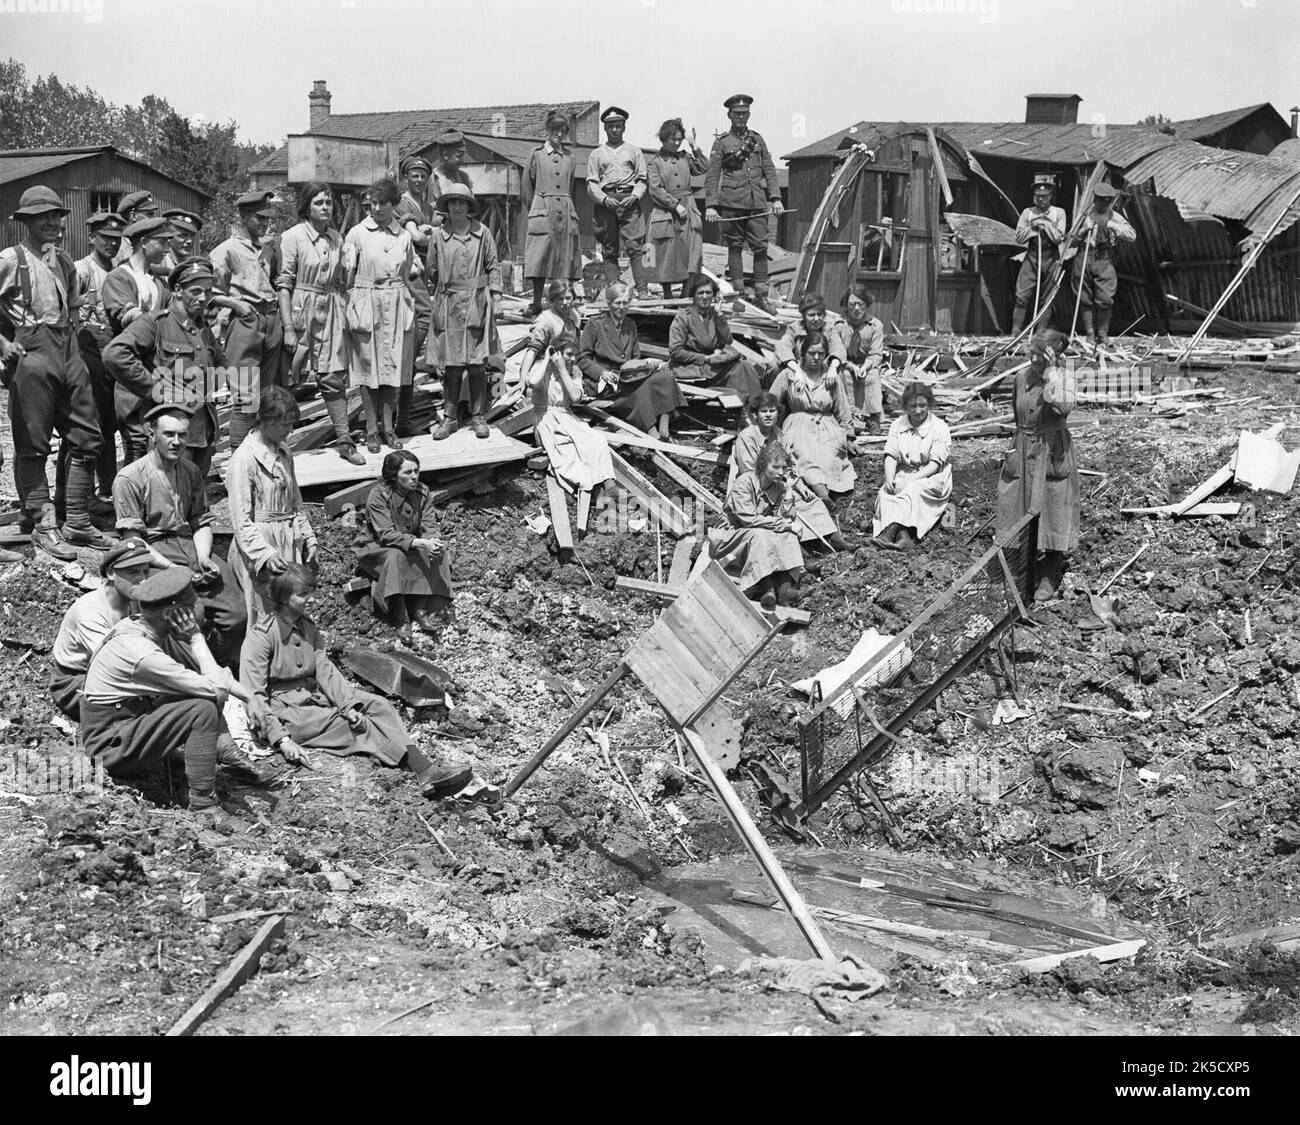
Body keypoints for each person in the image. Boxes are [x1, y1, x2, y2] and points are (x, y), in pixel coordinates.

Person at [241, 564, 472, 798]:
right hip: (286, 712)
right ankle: (422, 772)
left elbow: (325, 672)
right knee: (351, 726)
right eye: (302, 595)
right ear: (282, 598)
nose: (311, 600)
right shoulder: (261, 637)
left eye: (312, 592)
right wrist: (281, 739)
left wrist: (349, 705)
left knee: (378, 705)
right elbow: (254, 695)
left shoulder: (307, 627)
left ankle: (425, 770)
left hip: (312, 695)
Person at [81, 566, 269, 832]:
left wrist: (249, 696)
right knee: (201, 708)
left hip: (129, 724)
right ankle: (204, 807)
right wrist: (195, 637)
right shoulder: (141, 653)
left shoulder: (144, 627)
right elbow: (214, 691)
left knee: (194, 684)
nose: (200, 607)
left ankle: (220, 751)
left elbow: (208, 676)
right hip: (110, 746)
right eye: (193, 603)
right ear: (172, 614)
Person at [0, 185, 112, 558]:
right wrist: (4, 344)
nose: (52, 222)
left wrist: (76, 336)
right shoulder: (12, 259)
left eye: (56, 216)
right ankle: (41, 522)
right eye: (43, 216)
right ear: (26, 222)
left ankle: (77, 519)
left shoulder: (64, 261)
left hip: (68, 349)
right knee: (32, 443)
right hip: (32, 355)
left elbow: (76, 305)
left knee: (86, 433)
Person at [113, 402, 247, 661]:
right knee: (189, 616)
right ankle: (186, 672)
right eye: (169, 434)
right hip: (152, 553)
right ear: (151, 434)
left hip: (189, 546)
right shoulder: (130, 478)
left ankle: (213, 662)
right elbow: (133, 541)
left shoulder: (191, 471)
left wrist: (204, 556)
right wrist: (171, 570)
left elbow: (200, 521)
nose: (176, 442)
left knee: (237, 613)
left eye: (182, 435)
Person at [103, 255, 224, 474]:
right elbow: (114, 354)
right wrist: (155, 389)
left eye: (208, 292)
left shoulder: (204, 330)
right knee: (165, 497)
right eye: (195, 291)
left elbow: (221, 364)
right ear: (178, 290)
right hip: (171, 432)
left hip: (201, 431)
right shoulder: (156, 323)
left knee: (193, 498)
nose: (203, 298)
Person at [277, 182, 361, 464]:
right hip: (301, 308)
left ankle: (345, 440)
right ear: (307, 207)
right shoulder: (293, 237)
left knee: (332, 376)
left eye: (328, 202)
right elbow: (284, 284)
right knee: (291, 376)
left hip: (330, 309)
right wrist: (289, 326)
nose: (325, 207)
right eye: (318, 203)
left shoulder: (338, 239)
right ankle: (277, 443)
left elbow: (343, 280)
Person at [997, 329, 1080, 601]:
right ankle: (1024, 568)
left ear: (1054, 355)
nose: (1032, 357)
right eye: (1030, 351)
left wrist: (1052, 371)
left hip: (1052, 450)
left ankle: (1050, 572)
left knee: (1053, 507)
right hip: (1023, 448)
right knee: (1018, 507)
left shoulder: (1064, 376)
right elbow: (1017, 411)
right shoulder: (1021, 378)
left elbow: (1063, 407)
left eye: (1040, 353)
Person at [226, 387, 318, 622]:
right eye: (285, 425)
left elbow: (295, 502)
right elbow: (240, 520)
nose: (290, 430)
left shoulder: (283, 451)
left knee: (291, 609)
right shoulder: (244, 459)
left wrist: (308, 537)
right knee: (264, 613)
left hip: (287, 539)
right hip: (260, 544)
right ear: (266, 421)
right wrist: (264, 554)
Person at [209, 190, 285, 452]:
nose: (265, 223)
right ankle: (238, 460)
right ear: (243, 216)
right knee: (244, 398)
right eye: (258, 218)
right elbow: (208, 292)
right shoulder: (225, 251)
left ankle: (262, 453)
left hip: (271, 319)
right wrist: (236, 304)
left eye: (267, 219)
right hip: (245, 322)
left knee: (266, 396)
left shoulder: (267, 249)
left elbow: (276, 281)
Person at [344, 178, 416, 452]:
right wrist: (350, 306)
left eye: (381, 203)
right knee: (367, 368)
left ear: (394, 204)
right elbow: (346, 274)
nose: (375, 208)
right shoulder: (357, 234)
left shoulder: (404, 236)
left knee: (391, 369)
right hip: (366, 301)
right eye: (371, 203)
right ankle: (371, 430)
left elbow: (407, 271)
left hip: (395, 302)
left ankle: (389, 429)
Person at [427, 183, 503, 441]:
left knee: (476, 362)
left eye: (462, 202)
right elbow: (432, 272)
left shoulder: (483, 233)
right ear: (446, 207)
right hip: (448, 304)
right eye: (452, 202)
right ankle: (450, 418)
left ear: (469, 206)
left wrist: (497, 298)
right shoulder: (438, 235)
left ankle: (478, 415)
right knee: (451, 364)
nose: (457, 207)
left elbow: (493, 267)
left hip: (476, 302)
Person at [522, 285, 614, 493]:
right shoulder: (543, 369)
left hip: (567, 416)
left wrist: (564, 370)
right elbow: (533, 383)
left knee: (595, 439)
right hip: (545, 418)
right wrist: (547, 359)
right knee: (567, 451)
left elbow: (574, 397)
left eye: (575, 356)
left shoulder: (572, 373)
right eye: (569, 355)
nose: (573, 360)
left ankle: (608, 481)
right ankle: (592, 487)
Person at [356, 450, 454, 644]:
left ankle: (420, 608)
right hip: (377, 545)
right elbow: (385, 533)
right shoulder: (379, 494)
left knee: (439, 552)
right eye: (407, 473)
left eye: (416, 471)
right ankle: (400, 617)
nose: (414, 477)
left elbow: (429, 523)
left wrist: (432, 540)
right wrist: (417, 542)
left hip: (409, 540)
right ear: (393, 475)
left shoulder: (422, 492)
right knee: (396, 557)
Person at [49, 537, 154, 721]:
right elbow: (115, 663)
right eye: (134, 572)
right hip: (75, 681)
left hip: (110, 670)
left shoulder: (133, 598)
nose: (143, 580)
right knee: (138, 711)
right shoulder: (91, 612)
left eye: (146, 571)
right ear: (112, 573)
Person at [731, 392, 845, 550]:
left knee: (811, 501)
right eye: (764, 411)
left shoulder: (779, 435)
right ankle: (805, 549)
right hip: (756, 490)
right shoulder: (747, 437)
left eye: (772, 411)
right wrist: (784, 489)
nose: (769, 415)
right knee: (789, 506)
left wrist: (802, 488)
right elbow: (749, 471)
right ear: (755, 415)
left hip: (780, 484)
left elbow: (790, 466)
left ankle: (834, 537)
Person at [74, 211, 128, 520]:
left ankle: (107, 490)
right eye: (105, 238)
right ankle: (81, 498)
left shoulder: (119, 272)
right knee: (91, 424)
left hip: (115, 351)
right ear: (92, 237)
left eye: (116, 239)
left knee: (110, 424)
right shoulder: (82, 270)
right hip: (89, 351)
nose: (111, 243)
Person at [577, 282, 684, 437]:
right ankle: (650, 428)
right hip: (607, 381)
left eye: (625, 303)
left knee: (666, 376)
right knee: (642, 388)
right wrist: (602, 373)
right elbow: (582, 357)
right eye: (617, 303)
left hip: (628, 375)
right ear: (609, 303)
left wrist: (642, 368)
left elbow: (635, 357)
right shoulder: (595, 324)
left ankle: (665, 419)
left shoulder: (630, 324)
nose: (621, 307)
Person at [704, 94, 784, 303]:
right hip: (731, 203)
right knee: (735, 247)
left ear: (749, 115)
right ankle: (738, 293)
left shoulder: (757, 140)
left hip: (757, 203)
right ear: (729, 115)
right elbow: (712, 176)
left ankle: (761, 296)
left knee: (761, 247)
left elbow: (769, 169)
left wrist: (776, 198)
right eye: (737, 114)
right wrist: (711, 205)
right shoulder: (721, 143)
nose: (741, 117)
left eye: (745, 114)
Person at [710, 441, 804, 609]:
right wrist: (785, 524)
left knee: (787, 534)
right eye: (775, 467)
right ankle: (766, 587)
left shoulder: (779, 487)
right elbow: (749, 520)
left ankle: (784, 589)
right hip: (729, 535)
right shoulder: (743, 483)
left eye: (783, 468)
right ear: (762, 466)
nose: (780, 472)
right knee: (759, 534)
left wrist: (789, 491)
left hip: (755, 534)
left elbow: (785, 518)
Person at [769, 334, 857, 499]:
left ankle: (824, 490)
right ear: (803, 354)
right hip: (798, 424)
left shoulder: (831, 376)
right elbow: (770, 400)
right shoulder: (789, 374)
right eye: (811, 353)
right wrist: (766, 429)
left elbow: (842, 408)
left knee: (829, 455)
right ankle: (822, 493)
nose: (816, 358)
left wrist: (849, 435)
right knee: (804, 452)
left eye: (821, 354)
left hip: (826, 425)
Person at [873, 382, 953, 548]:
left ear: (929, 405)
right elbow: (891, 455)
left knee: (911, 491)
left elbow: (934, 465)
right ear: (905, 406)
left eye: (922, 405)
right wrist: (890, 479)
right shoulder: (898, 425)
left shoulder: (939, 427)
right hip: (905, 473)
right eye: (913, 406)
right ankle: (903, 536)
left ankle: (892, 531)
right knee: (886, 493)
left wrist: (910, 480)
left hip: (931, 476)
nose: (918, 411)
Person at [522, 111, 583, 314]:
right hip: (543, 208)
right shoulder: (536, 154)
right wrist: (536, 209)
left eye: (562, 131)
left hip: (565, 210)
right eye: (555, 130)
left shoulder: (570, 157)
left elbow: (572, 186)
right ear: (548, 130)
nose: (558, 134)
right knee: (540, 257)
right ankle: (537, 303)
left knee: (564, 259)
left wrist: (566, 204)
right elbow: (526, 187)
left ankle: (561, 304)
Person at [588, 106, 650, 298]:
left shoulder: (634, 151)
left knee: (635, 248)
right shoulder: (596, 154)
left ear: (624, 127)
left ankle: (642, 290)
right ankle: (615, 291)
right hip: (606, 203)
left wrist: (635, 196)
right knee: (610, 250)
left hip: (629, 202)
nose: (614, 129)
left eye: (618, 126)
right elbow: (591, 182)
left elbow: (642, 179)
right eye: (610, 126)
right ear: (605, 129)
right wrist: (604, 199)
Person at [395, 156, 437, 435]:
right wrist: (430, 233)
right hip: (410, 268)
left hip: (425, 268)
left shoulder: (427, 205)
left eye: (423, 175)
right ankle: (241, 434)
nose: (419, 179)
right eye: (414, 174)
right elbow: (417, 238)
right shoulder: (403, 203)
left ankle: (400, 421)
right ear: (405, 177)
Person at [667, 275, 762, 397]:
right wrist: (705, 358)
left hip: (713, 365)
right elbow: (675, 351)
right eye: (700, 293)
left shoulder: (713, 315)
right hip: (692, 367)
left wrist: (719, 315)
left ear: (714, 295)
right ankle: (745, 406)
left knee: (745, 367)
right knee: (738, 371)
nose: (705, 296)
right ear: (693, 296)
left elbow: (728, 340)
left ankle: (755, 406)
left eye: (709, 292)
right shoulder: (683, 317)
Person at [647, 118, 707, 299]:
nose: (676, 142)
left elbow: (704, 167)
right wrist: (674, 205)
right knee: (665, 253)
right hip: (665, 212)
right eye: (672, 139)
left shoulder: (685, 157)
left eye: (679, 139)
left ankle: (685, 293)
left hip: (689, 207)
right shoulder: (655, 162)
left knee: (691, 252)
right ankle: (667, 295)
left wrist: (694, 147)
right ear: (663, 139)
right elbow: (655, 189)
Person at [1071, 183, 1135, 347]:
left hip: (1104, 258)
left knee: (1105, 298)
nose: (1103, 205)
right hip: (1084, 255)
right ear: (1095, 199)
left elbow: (1132, 235)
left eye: (1106, 203)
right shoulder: (1084, 215)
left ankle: (1102, 334)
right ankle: (1090, 335)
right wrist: (1083, 231)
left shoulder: (1115, 216)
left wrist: (1113, 226)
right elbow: (1070, 241)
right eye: (1100, 202)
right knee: (1083, 297)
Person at [1011, 175, 1067, 337]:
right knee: (1022, 294)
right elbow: (1019, 238)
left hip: (1051, 257)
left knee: (1048, 297)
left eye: (1044, 196)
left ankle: (1041, 331)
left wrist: (1046, 224)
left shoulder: (1059, 213)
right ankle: (1015, 331)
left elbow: (1059, 237)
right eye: (1038, 196)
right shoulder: (1027, 213)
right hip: (1033, 255)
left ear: (1050, 196)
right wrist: (1034, 227)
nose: (1040, 200)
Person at [100, 215, 172, 337]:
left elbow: (176, 315)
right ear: (144, 243)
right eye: (162, 242)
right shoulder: (117, 279)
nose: (167, 250)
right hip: (128, 352)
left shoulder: (160, 284)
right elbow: (128, 316)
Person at [829, 283, 886, 434]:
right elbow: (836, 351)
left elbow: (876, 354)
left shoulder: (875, 325)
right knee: (843, 378)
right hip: (844, 364)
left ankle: (873, 420)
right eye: (852, 304)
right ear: (846, 305)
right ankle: (847, 418)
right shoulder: (837, 325)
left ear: (867, 304)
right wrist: (851, 366)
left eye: (860, 304)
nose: (856, 309)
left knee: (873, 377)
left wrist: (865, 367)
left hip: (866, 365)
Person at [775, 292, 848, 377]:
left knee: (840, 373)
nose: (816, 319)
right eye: (811, 315)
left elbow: (838, 348)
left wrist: (833, 367)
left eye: (819, 314)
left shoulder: (828, 328)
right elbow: (783, 347)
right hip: (798, 368)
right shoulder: (795, 328)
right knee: (774, 367)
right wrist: (797, 369)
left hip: (821, 369)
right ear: (804, 316)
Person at [162, 209, 203, 274]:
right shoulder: (159, 266)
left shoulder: (195, 268)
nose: (190, 241)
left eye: (192, 235)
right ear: (168, 237)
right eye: (184, 235)